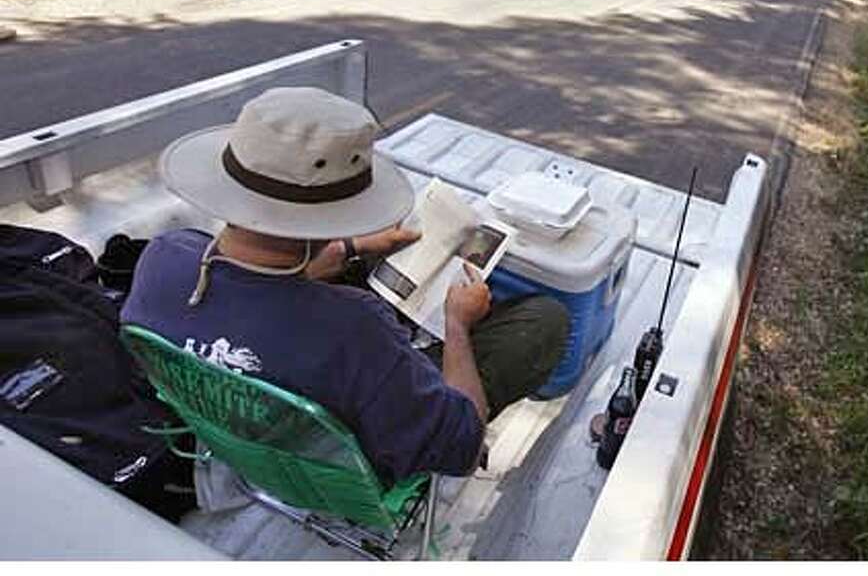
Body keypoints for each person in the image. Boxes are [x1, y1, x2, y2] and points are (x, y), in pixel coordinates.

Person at [121, 87, 569, 484]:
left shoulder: (165, 255)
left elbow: (250, 287)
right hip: (340, 467)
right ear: (330, 220)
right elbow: (462, 449)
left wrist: (352, 248)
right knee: (544, 319)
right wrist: (457, 325)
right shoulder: (355, 326)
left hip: (241, 432)